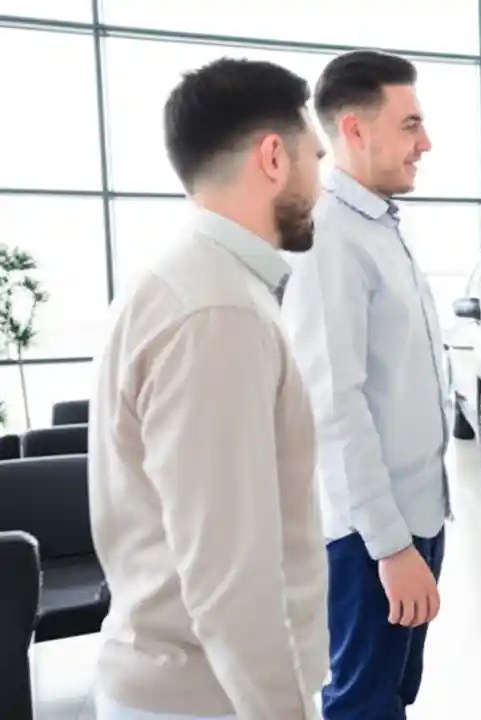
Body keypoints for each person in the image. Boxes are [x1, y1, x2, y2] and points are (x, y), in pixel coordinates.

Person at [88, 58, 327, 719]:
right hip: (209, 700)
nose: (321, 181)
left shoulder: (189, 280)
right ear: (274, 157)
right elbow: (231, 583)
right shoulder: (217, 312)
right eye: (317, 156)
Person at [278, 50, 446, 720]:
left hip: (414, 517)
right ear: (353, 130)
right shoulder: (332, 239)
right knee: (363, 705)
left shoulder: (378, 227)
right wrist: (391, 546)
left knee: (391, 696)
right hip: (371, 538)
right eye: (410, 125)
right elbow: (333, 406)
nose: (424, 142)